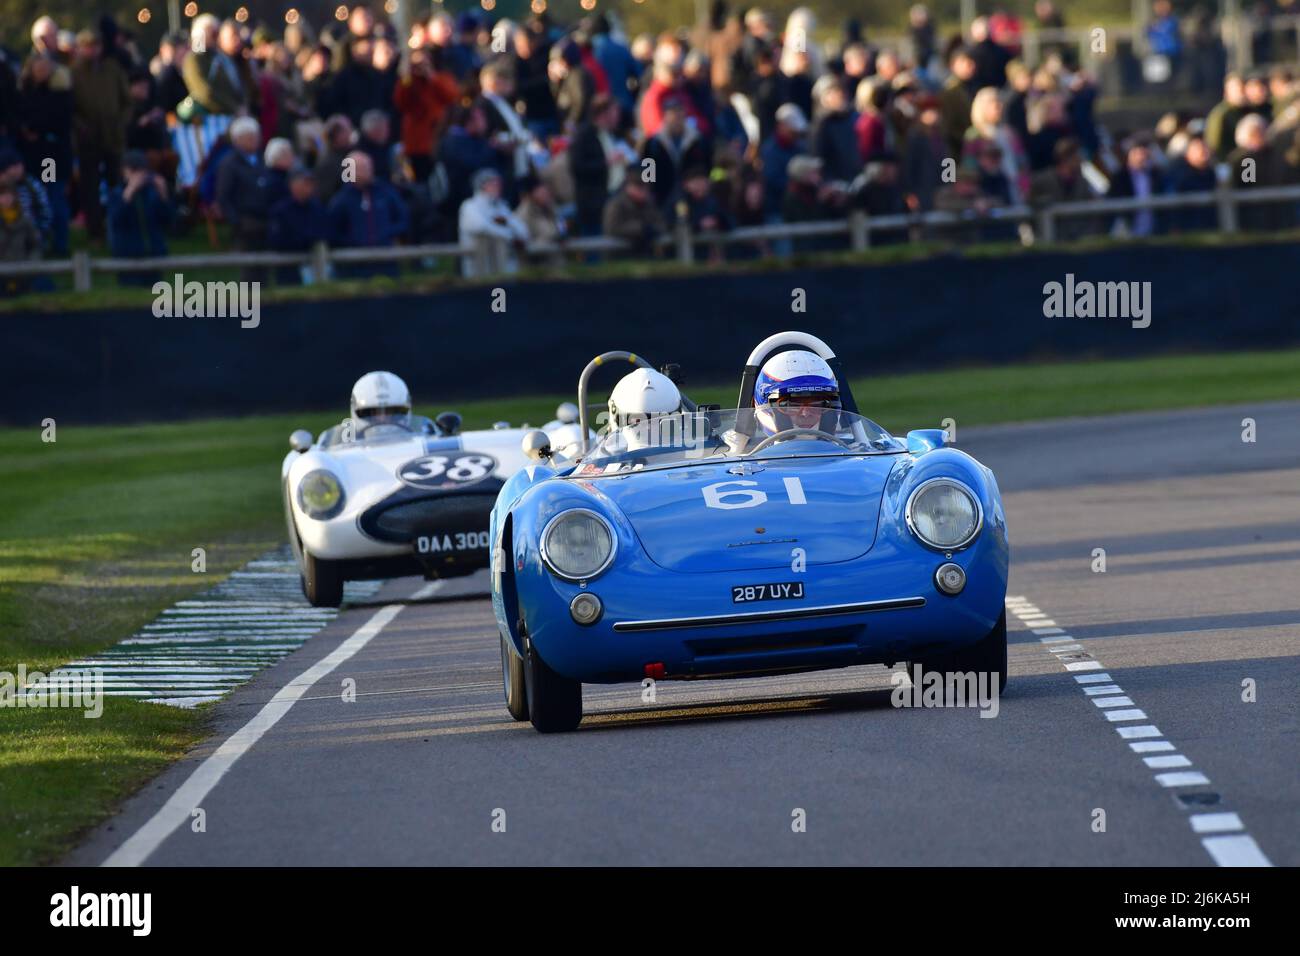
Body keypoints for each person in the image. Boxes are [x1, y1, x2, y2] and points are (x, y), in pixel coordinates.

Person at [70, 29, 131, 241]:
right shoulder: (75, 72)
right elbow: (71, 107)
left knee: (117, 181)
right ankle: (95, 230)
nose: (92, 50)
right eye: (88, 46)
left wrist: (120, 122)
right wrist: (81, 126)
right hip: (88, 139)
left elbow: (126, 100)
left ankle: (119, 225)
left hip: (112, 136)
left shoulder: (112, 69)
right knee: (90, 186)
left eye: (95, 45)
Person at [327, 149, 409, 276]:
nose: (368, 171)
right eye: (363, 168)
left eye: (369, 167)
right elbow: (333, 229)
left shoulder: (386, 192)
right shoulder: (341, 200)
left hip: (386, 261)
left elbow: (403, 218)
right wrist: (352, 242)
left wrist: (387, 233)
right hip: (354, 265)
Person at [750, 349, 842, 444]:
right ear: (765, 406)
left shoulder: (854, 453)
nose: (805, 414)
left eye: (818, 404)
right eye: (792, 405)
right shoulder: (742, 457)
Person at [457, 168, 529, 278]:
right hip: (478, 267)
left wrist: (511, 229)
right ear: (482, 186)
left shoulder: (502, 206)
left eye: (499, 184)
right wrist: (508, 235)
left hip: (504, 267)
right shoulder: (469, 206)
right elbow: (480, 226)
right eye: (493, 184)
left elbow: (522, 230)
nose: (498, 188)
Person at [268, 163, 329, 284]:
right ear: (293, 185)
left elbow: (325, 231)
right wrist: (305, 239)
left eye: (311, 183)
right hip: (289, 271)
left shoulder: (317, 207)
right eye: (305, 182)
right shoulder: (281, 211)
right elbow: (276, 240)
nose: (309, 187)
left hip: (313, 268)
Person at [603, 367, 684, 452]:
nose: (649, 429)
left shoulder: (691, 456)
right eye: (637, 422)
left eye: (661, 421)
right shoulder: (598, 462)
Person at [602, 162, 667, 256]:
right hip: (619, 254)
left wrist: (653, 229)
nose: (643, 191)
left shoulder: (648, 204)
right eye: (639, 187)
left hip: (645, 253)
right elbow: (612, 228)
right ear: (628, 186)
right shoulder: (616, 204)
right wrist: (640, 228)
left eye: (645, 187)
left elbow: (661, 223)